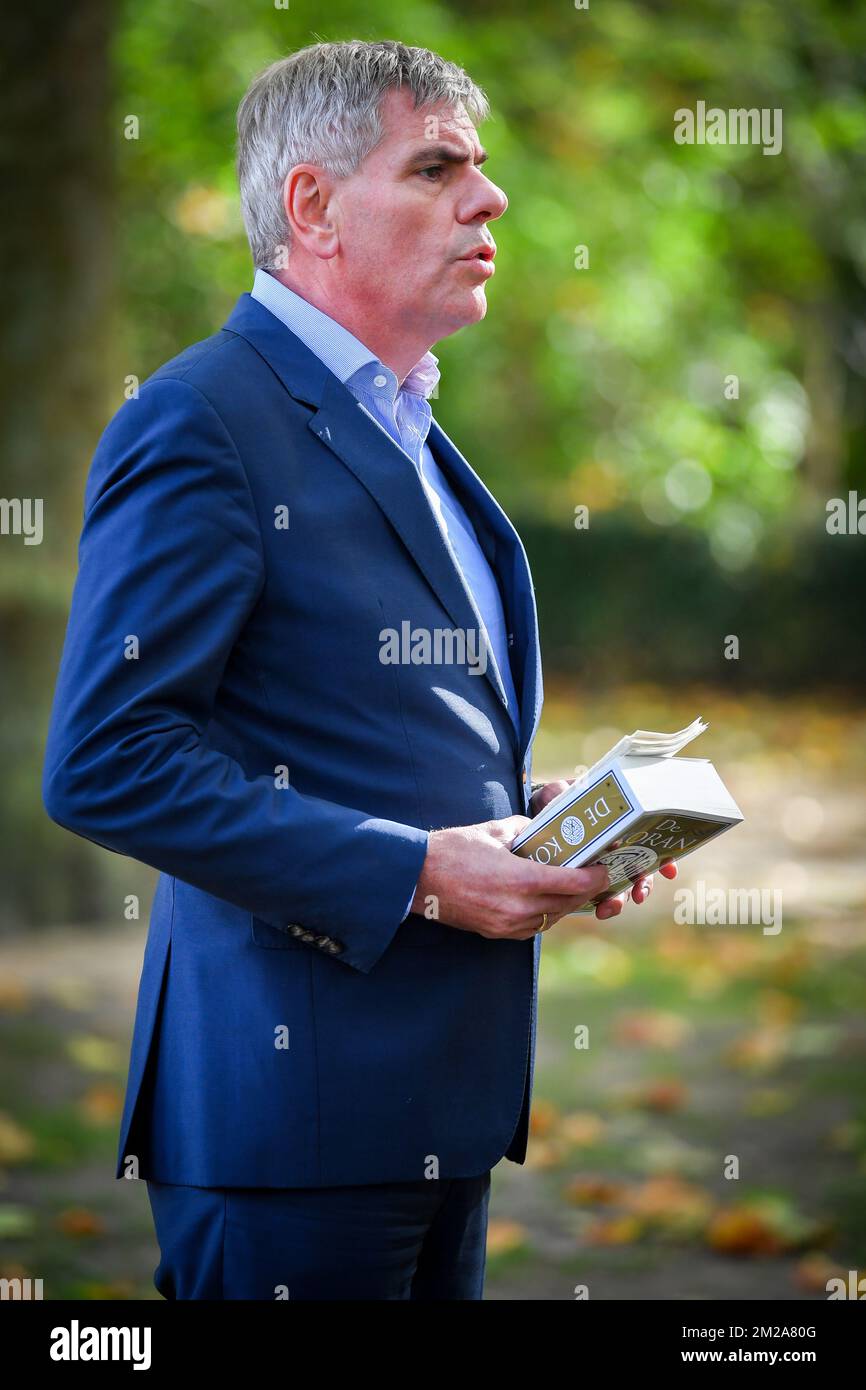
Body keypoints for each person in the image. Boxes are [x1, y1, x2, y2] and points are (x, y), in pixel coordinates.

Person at [42, 38, 673, 1301]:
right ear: (312, 208)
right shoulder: (200, 418)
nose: (488, 200)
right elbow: (107, 761)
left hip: (442, 1104)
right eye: (435, 167)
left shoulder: (409, 420)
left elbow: (365, 718)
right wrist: (419, 872)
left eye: (479, 170)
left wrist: (536, 818)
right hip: (293, 1123)